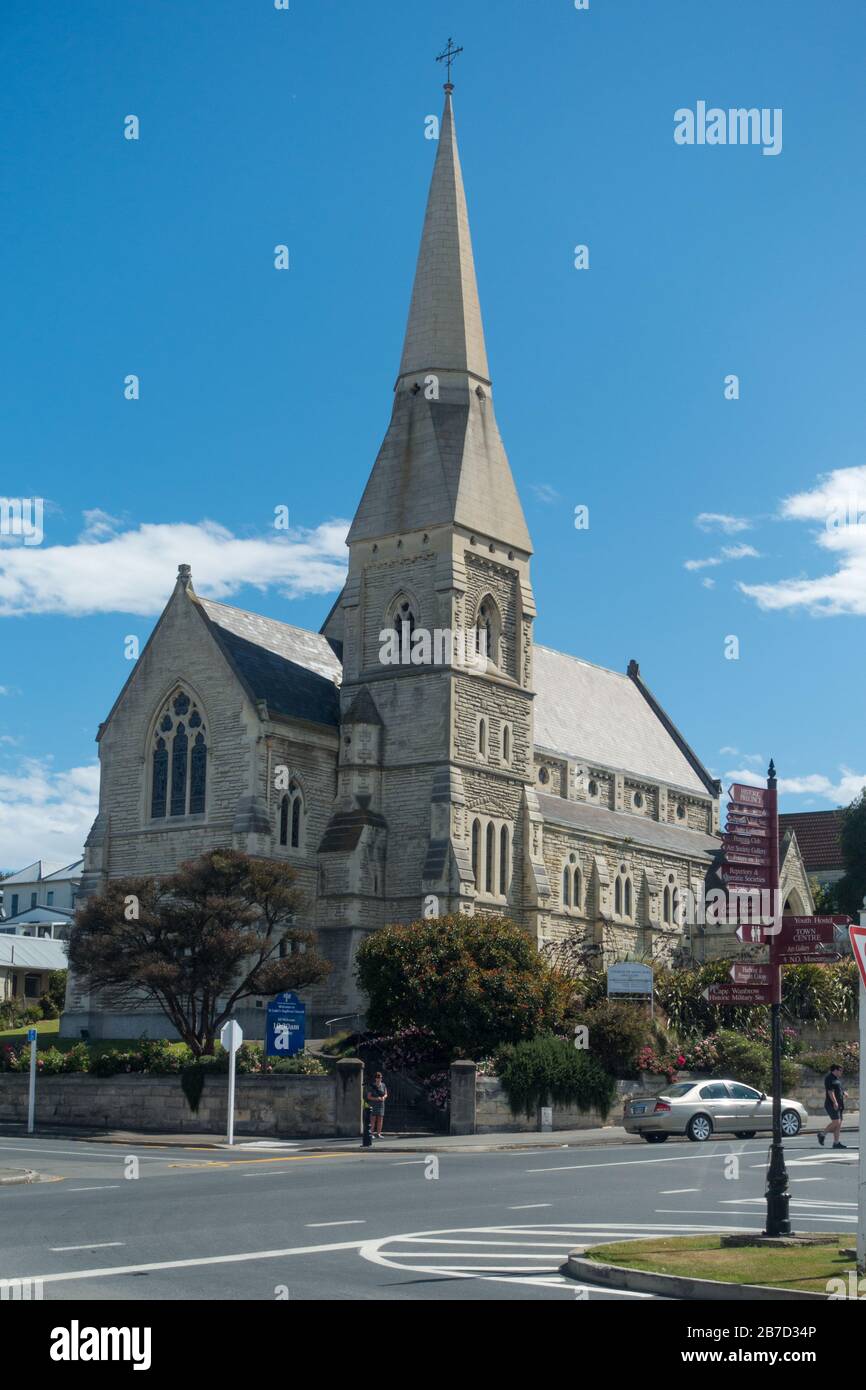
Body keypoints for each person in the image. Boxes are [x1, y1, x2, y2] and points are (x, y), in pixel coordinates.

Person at [818, 1063, 848, 1149]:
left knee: (838, 1124)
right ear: (835, 1070)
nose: (841, 1072)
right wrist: (835, 1102)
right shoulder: (829, 1078)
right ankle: (822, 1134)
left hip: (839, 1104)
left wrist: (843, 1093)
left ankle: (836, 1143)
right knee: (836, 1122)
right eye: (840, 1070)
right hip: (831, 1104)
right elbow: (830, 1092)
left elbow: (838, 1089)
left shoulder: (836, 1079)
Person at [366, 1071, 388, 1139]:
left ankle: (379, 1133)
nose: (379, 1079)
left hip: (381, 1104)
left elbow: (386, 1094)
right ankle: (371, 1133)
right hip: (374, 1104)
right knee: (373, 1119)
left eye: (380, 1077)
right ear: (375, 1078)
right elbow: (368, 1097)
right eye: (378, 1077)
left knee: (380, 1119)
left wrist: (384, 1097)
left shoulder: (383, 1085)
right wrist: (376, 1098)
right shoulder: (372, 1086)